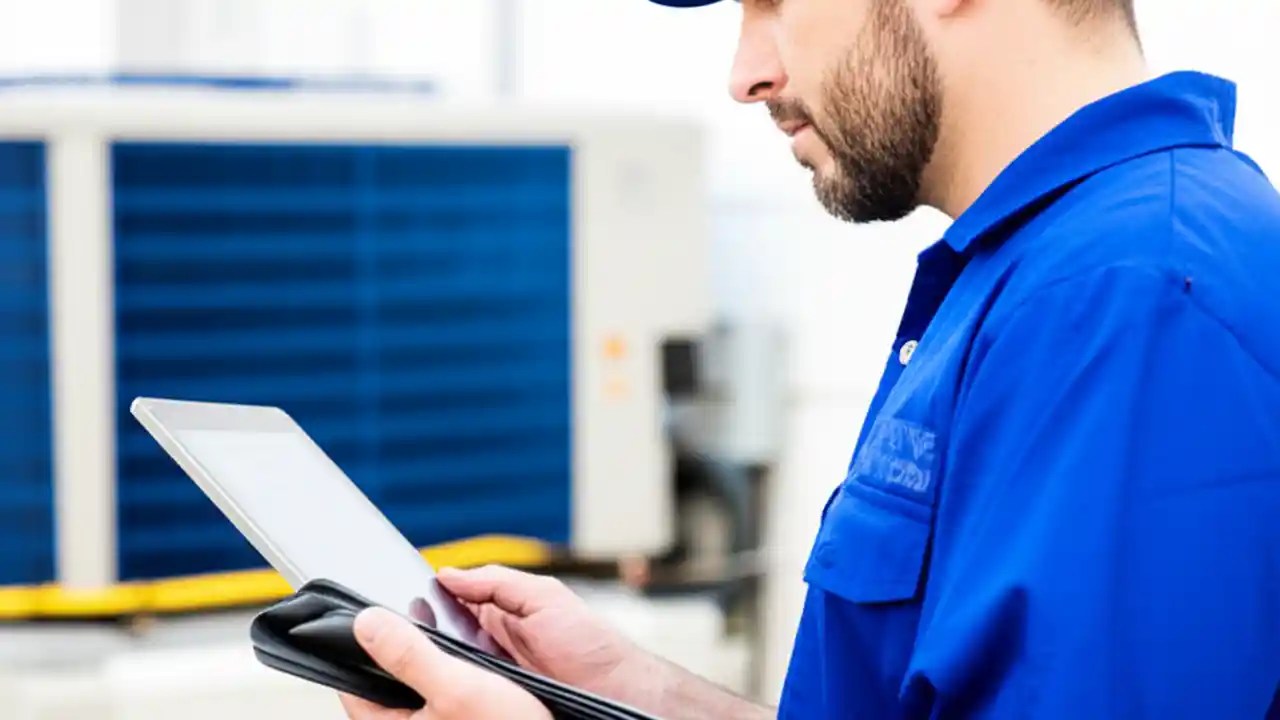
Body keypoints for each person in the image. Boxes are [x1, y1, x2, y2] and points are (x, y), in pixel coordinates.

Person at [340, 0, 1280, 717]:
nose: (747, 73)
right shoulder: (1045, 273)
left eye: (772, 0)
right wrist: (643, 695)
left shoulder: (1132, 298)